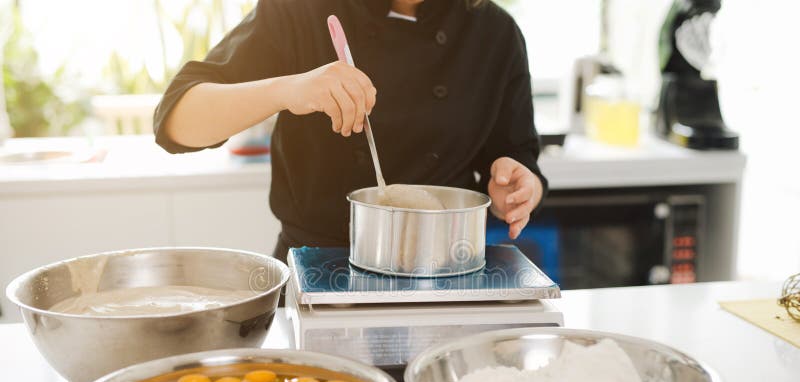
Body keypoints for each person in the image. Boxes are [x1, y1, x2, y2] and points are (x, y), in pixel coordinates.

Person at [154, 0, 548, 263]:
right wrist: (288, 90)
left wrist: (517, 188)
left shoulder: (494, 32)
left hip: (445, 271)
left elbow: (517, 156)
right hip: (317, 269)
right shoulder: (299, 10)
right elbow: (177, 120)